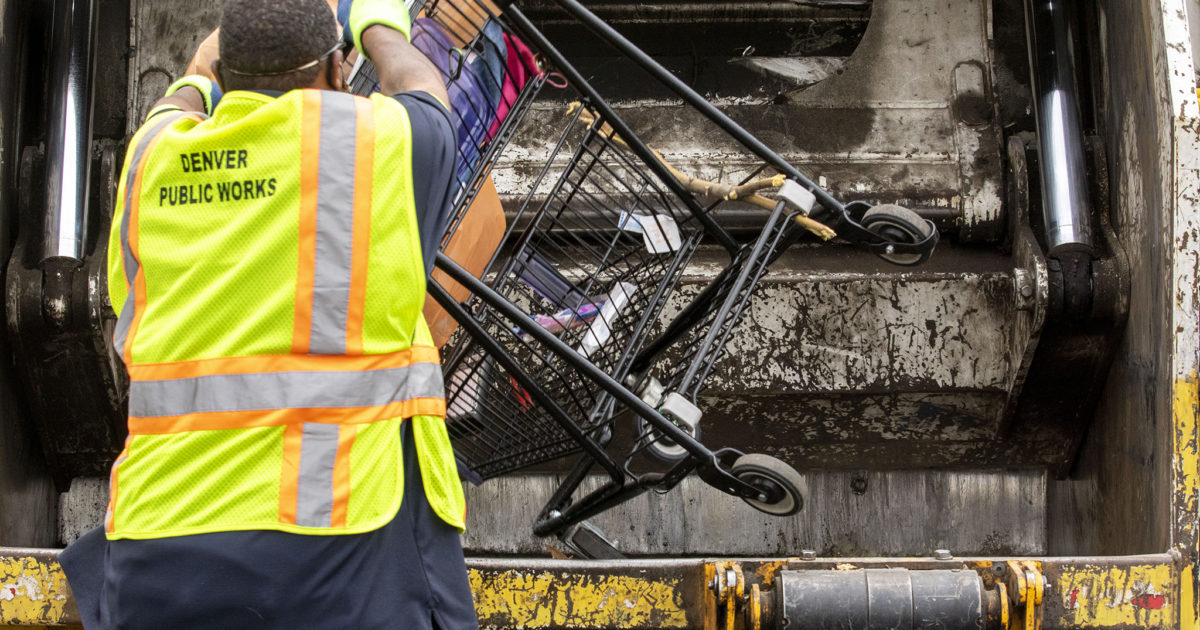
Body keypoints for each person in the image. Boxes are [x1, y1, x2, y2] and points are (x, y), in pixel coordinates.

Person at [57, 0, 478, 628]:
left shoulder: (151, 159)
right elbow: (423, 92)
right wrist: (379, 23)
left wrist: (202, 69)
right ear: (338, 72)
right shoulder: (373, 145)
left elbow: (178, 103)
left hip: (158, 545)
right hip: (333, 549)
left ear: (224, 75)